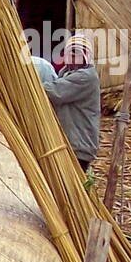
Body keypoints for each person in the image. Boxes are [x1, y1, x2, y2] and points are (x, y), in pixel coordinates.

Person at [44, 33, 101, 172]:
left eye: (77, 54)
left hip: (79, 144)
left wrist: (28, 82)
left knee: (75, 186)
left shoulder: (86, 77)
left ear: (86, 56)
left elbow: (54, 91)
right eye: (70, 53)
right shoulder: (66, 72)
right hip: (69, 142)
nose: (73, 58)